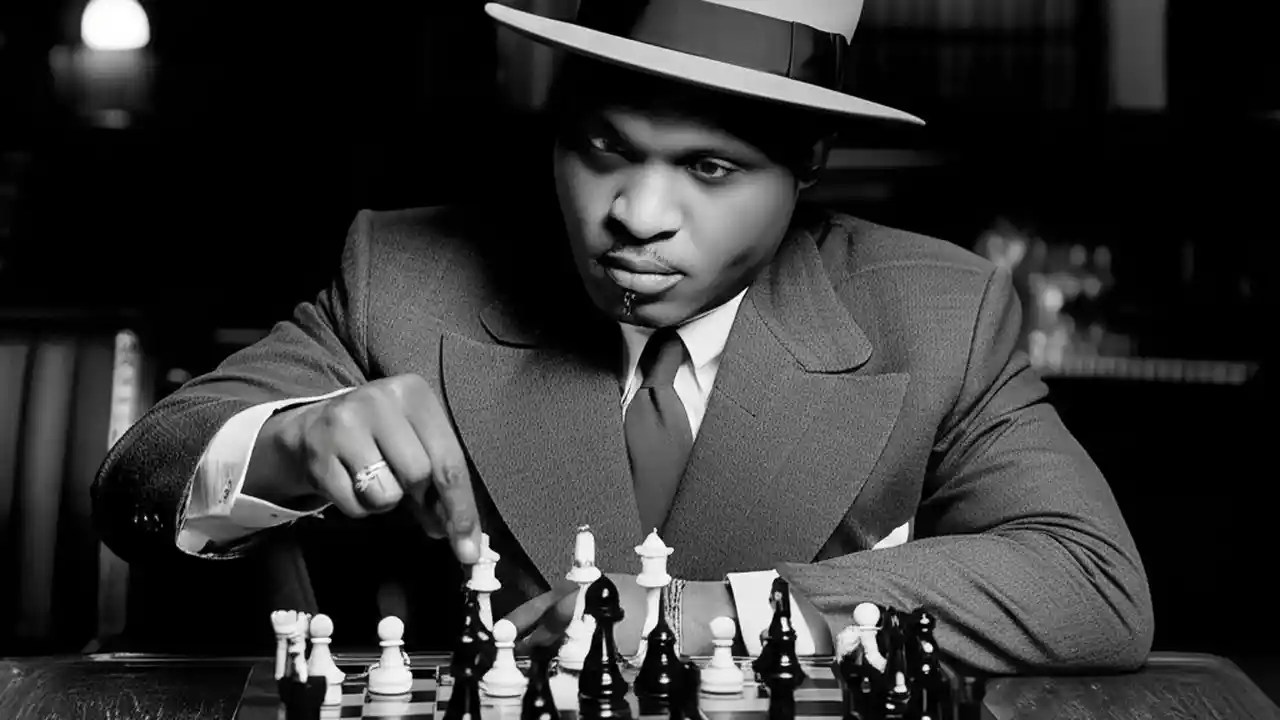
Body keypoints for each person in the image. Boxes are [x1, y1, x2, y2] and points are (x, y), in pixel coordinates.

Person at [91, 0, 1153, 673]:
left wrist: (718, 615)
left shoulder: (932, 312)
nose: (635, 214)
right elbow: (139, 480)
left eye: (708, 168)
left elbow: (1089, 584)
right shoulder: (407, 272)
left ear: (811, 161)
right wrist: (287, 440)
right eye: (602, 148)